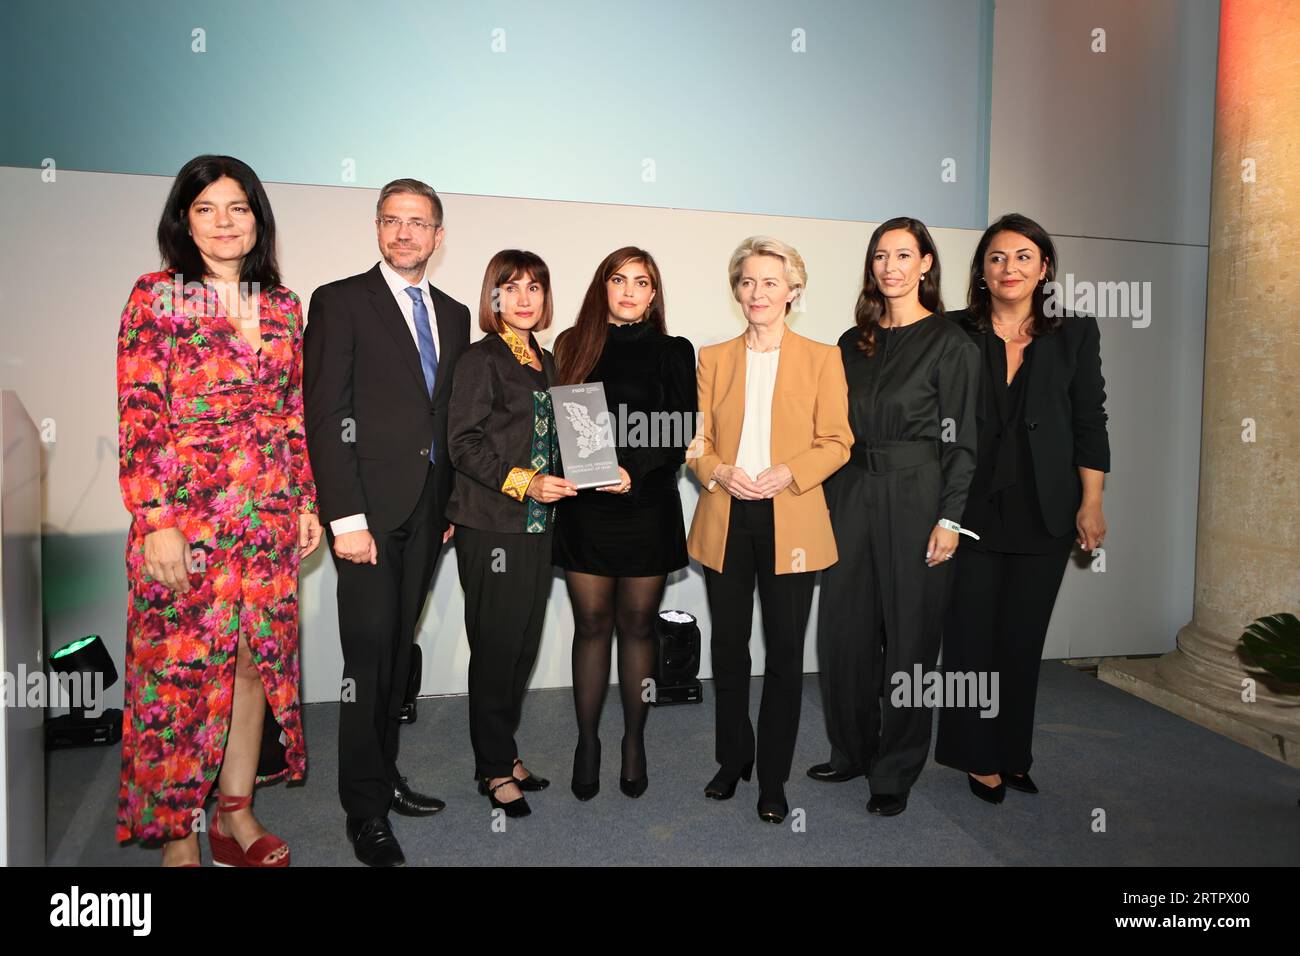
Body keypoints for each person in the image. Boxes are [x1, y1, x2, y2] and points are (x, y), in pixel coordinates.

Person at [116, 154, 322, 866]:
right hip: (187, 519)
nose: (225, 223)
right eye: (206, 209)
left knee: (250, 665)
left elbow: (293, 415)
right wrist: (157, 521)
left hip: (265, 517)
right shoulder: (157, 296)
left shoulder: (282, 304)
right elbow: (141, 418)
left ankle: (235, 810)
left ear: (258, 218)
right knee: (179, 674)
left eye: (238, 207)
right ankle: (179, 832)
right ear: (184, 220)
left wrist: (305, 503)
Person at [303, 178, 471, 866]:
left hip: (429, 514)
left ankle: (386, 776)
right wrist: (345, 517)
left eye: (419, 222)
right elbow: (323, 414)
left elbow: (449, 416)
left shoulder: (456, 314)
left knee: (398, 656)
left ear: (438, 235)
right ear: (378, 228)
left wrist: (451, 503)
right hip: (364, 517)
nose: (405, 233)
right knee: (368, 661)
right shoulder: (340, 301)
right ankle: (363, 809)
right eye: (392, 221)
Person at [936, 212, 1110, 803]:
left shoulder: (1075, 334)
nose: (1009, 268)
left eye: (1022, 257)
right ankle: (973, 753)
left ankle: (1012, 752)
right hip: (969, 509)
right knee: (969, 637)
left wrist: (1092, 501)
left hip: (1046, 511)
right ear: (981, 271)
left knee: (1021, 639)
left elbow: (1090, 421)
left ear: (1043, 269)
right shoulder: (952, 330)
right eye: (997, 258)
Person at [809, 216, 979, 817]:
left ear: (926, 264)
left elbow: (962, 441)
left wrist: (950, 519)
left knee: (910, 638)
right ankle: (850, 750)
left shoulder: (952, 342)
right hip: (850, 491)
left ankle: (895, 769)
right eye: (881, 256)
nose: (890, 266)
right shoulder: (850, 343)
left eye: (904, 255)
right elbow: (825, 429)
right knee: (843, 633)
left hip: (918, 494)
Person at [686, 236, 852, 824]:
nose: (758, 293)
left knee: (784, 655)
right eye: (748, 282)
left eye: (770, 283)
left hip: (793, 517)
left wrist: (788, 472)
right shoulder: (711, 357)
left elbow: (838, 441)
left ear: (793, 291)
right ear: (737, 289)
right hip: (727, 516)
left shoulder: (823, 357)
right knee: (729, 650)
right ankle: (732, 762)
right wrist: (718, 471)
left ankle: (773, 780)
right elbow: (696, 443)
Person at [552, 247, 696, 801]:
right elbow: (563, 426)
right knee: (590, 627)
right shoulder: (573, 345)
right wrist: (588, 470)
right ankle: (587, 742)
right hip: (587, 508)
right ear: (603, 286)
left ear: (654, 293)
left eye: (642, 282)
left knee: (638, 628)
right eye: (619, 279)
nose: (630, 290)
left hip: (647, 504)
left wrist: (630, 470)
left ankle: (634, 742)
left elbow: (679, 429)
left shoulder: (672, 351)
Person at [446, 249, 577, 818]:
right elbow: (464, 442)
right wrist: (527, 482)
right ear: (493, 296)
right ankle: (493, 768)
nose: (525, 298)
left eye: (535, 287)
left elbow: (556, 439)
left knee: (522, 644)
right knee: (497, 647)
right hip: (492, 525)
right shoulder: (482, 359)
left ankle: (505, 748)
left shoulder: (545, 361)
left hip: (536, 526)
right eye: (512, 287)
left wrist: (601, 471)